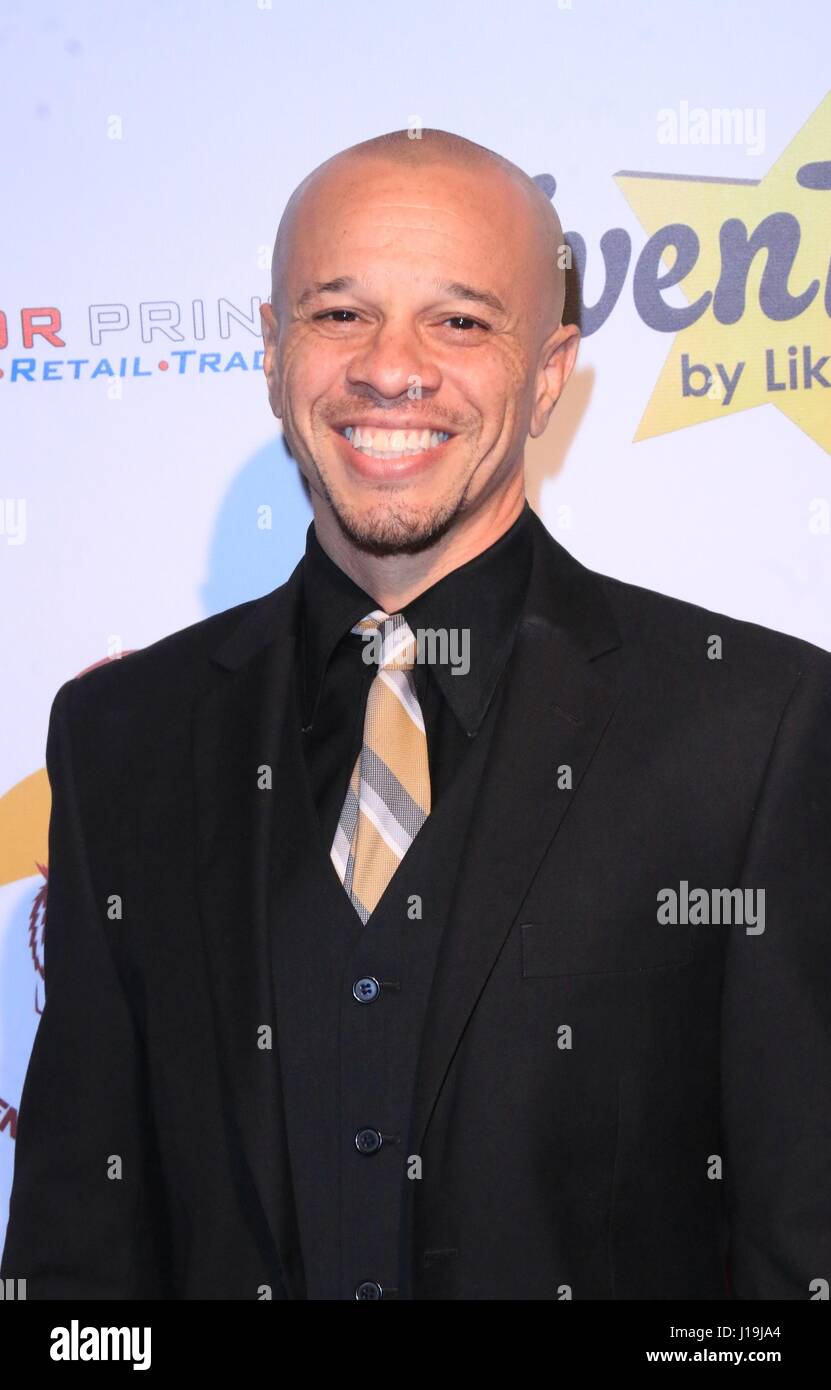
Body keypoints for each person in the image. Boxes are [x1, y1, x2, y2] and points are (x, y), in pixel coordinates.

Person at [2, 128, 830, 1300]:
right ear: (271, 348)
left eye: (460, 320)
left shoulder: (754, 728)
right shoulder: (121, 737)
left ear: (548, 372)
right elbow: (77, 1256)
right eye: (340, 314)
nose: (392, 370)